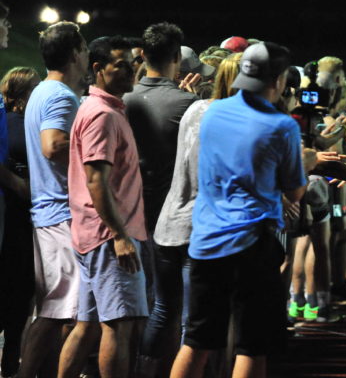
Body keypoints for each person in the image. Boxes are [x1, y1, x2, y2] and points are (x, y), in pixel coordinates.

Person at [169, 42, 307, 378]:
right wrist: (309, 161)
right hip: (251, 244)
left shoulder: (212, 111)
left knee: (197, 341)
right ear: (277, 80)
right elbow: (294, 190)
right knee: (252, 344)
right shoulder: (281, 125)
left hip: (205, 239)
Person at [57, 35, 149, 378]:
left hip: (96, 235)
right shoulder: (102, 115)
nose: (131, 71)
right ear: (98, 69)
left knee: (88, 326)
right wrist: (120, 235)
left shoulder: (102, 109)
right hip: (109, 238)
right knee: (118, 326)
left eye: (133, 63)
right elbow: (97, 180)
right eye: (121, 65)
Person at [124, 21, 200, 376]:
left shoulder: (122, 100)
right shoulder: (188, 104)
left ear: (142, 54)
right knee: (181, 308)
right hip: (174, 219)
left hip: (127, 215)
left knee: (149, 308)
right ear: (176, 58)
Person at [18, 21, 88, 378]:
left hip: (50, 212)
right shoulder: (60, 95)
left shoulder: (43, 91)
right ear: (76, 52)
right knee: (63, 313)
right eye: (85, 47)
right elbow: (52, 145)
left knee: (51, 310)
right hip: (60, 214)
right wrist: (95, 152)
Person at [0, 66, 40, 378]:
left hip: (13, 221)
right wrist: (19, 184)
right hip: (18, 221)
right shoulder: (25, 128)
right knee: (17, 297)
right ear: (25, 95)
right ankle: (11, 366)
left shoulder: (12, 123)